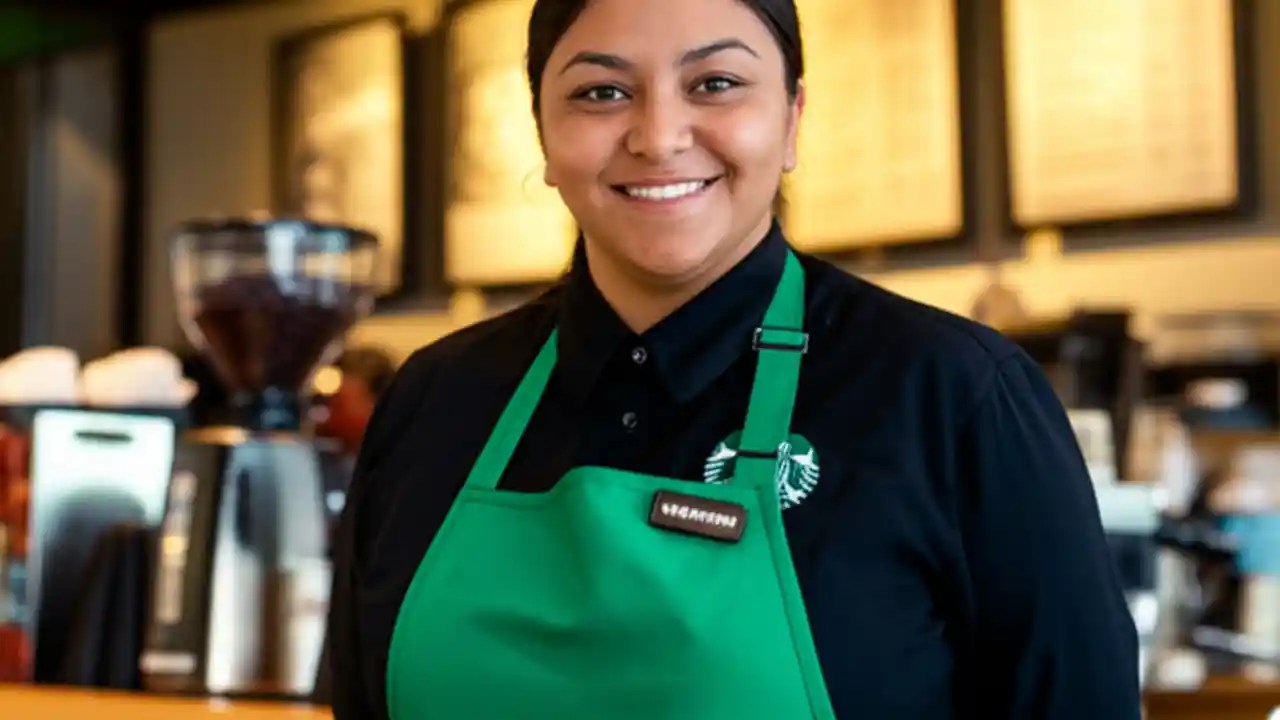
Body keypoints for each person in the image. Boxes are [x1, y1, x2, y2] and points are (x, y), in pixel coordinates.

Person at [326, 0, 1141, 717]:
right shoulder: (435, 401)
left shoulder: (953, 393)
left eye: (715, 83)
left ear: (790, 119)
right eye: (601, 92)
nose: (658, 136)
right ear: (543, 130)